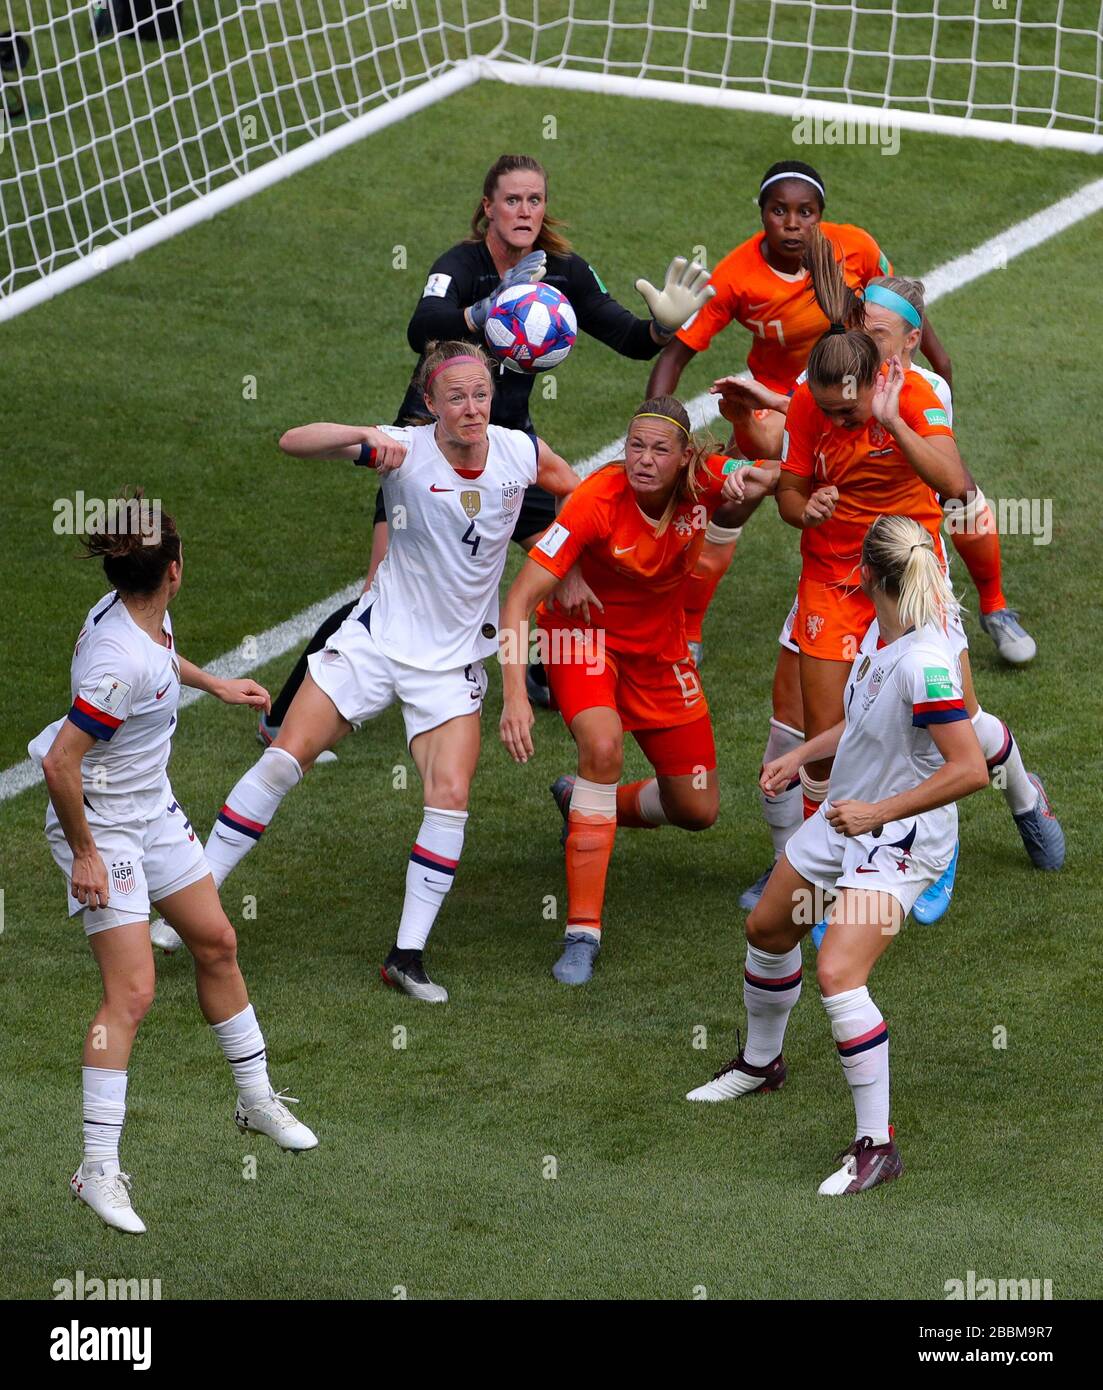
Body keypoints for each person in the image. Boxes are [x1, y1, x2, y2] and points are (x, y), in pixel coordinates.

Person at [258, 152, 714, 739]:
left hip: (510, 454)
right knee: (376, 595)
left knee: (581, 561)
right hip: (433, 447)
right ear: (488, 208)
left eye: (535, 200)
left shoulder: (563, 272)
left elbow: (629, 337)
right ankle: (281, 720)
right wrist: (483, 311)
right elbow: (422, 329)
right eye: (512, 200)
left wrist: (662, 326)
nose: (525, 211)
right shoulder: (461, 264)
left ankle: (552, 674)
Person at [203, 342, 580, 1003]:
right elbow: (294, 441)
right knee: (287, 755)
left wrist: (567, 559)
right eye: (454, 396)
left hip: (453, 664)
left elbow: (579, 490)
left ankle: (405, 957)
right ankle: (194, 902)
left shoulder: (519, 452)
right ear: (429, 403)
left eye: (480, 393)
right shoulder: (403, 454)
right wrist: (364, 437)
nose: (471, 407)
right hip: (377, 645)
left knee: (449, 799)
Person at [726, 253, 1060, 910]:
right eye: (857, 323)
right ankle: (814, 865)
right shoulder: (817, 385)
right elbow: (792, 474)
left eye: (875, 330)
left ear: (904, 344)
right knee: (823, 736)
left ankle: (1022, 796)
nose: (860, 332)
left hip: (907, 570)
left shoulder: (919, 391)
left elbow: (957, 487)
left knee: (954, 720)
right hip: (832, 574)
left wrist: (888, 421)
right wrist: (775, 475)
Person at [29, 498, 318, 1235]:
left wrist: (213, 683)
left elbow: (159, 657)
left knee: (217, 942)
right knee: (131, 993)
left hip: (150, 811)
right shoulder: (117, 664)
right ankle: (96, 1170)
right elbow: (61, 763)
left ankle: (254, 1100)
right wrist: (88, 854)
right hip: (105, 828)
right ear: (176, 572)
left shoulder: (135, 611)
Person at [684, 516, 990, 1195]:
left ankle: (875, 1147)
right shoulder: (890, 633)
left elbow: (969, 769)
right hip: (843, 820)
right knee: (767, 927)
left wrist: (878, 813)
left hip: (899, 844)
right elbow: (865, 722)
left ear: (866, 573)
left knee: (838, 971)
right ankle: (761, 1065)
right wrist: (799, 754)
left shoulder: (925, 661)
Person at [498, 396, 771, 985]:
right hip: (584, 642)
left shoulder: (703, 483)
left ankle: (588, 804)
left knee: (697, 808)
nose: (643, 460)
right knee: (602, 747)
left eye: (659, 450)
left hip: (661, 652)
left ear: (684, 459)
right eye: (635, 447)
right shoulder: (597, 500)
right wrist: (516, 696)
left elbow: (756, 475)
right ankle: (581, 931)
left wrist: (783, 472)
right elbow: (519, 600)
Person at [646, 158, 954, 667]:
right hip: (785, 404)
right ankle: (690, 626)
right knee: (731, 502)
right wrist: (655, 417)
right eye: (779, 211)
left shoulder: (856, 246)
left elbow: (905, 310)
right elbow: (676, 354)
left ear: (822, 215)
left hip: (855, 394)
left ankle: (990, 604)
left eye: (805, 212)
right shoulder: (737, 276)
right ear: (761, 214)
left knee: (927, 496)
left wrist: (940, 371)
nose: (793, 223)